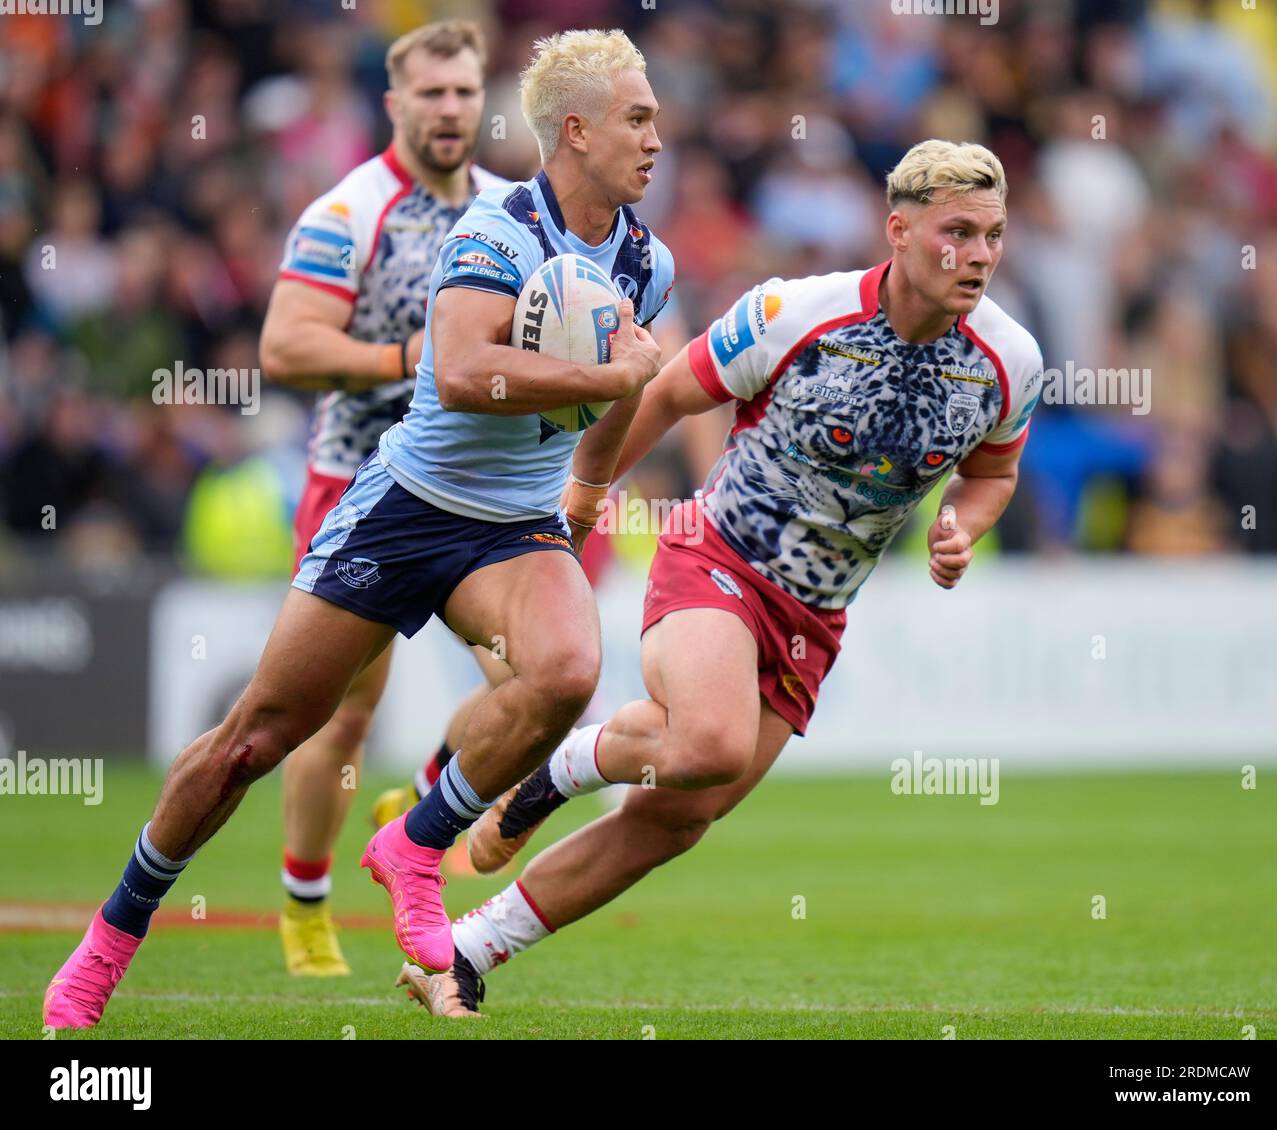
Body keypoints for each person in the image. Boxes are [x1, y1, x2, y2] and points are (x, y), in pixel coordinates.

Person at [42, 27, 672, 1029]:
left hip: (512, 526)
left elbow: (630, 392)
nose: (657, 135)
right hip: (406, 506)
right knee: (257, 738)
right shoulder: (497, 231)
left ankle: (414, 841)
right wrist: (607, 378)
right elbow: (466, 374)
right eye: (637, 117)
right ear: (576, 129)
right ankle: (108, 941)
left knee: (560, 675)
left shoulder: (647, 256)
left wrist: (589, 487)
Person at [397, 139, 1045, 1018]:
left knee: (676, 820)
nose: (977, 256)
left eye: (993, 236)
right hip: (718, 553)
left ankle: (466, 954)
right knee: (708, 745)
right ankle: (557, 771)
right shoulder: (793, 312)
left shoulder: (1010, 362)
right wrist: (583, 497)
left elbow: (994, 473)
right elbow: (666, 394)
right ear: (898, 230)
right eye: (956, 232)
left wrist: (960, 527)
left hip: (816, 615)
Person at [261, 19, 512, 978]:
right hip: (358, 486)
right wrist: (413, 360)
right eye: (432, 93)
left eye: (463, 92)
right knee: (340, 715)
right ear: (395, 104)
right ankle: (305, 907)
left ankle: (418, 802)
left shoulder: (508, 209)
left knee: (532, 685)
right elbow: (285, 349)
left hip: (472, 488)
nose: (450, 109)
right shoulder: (347, 210)